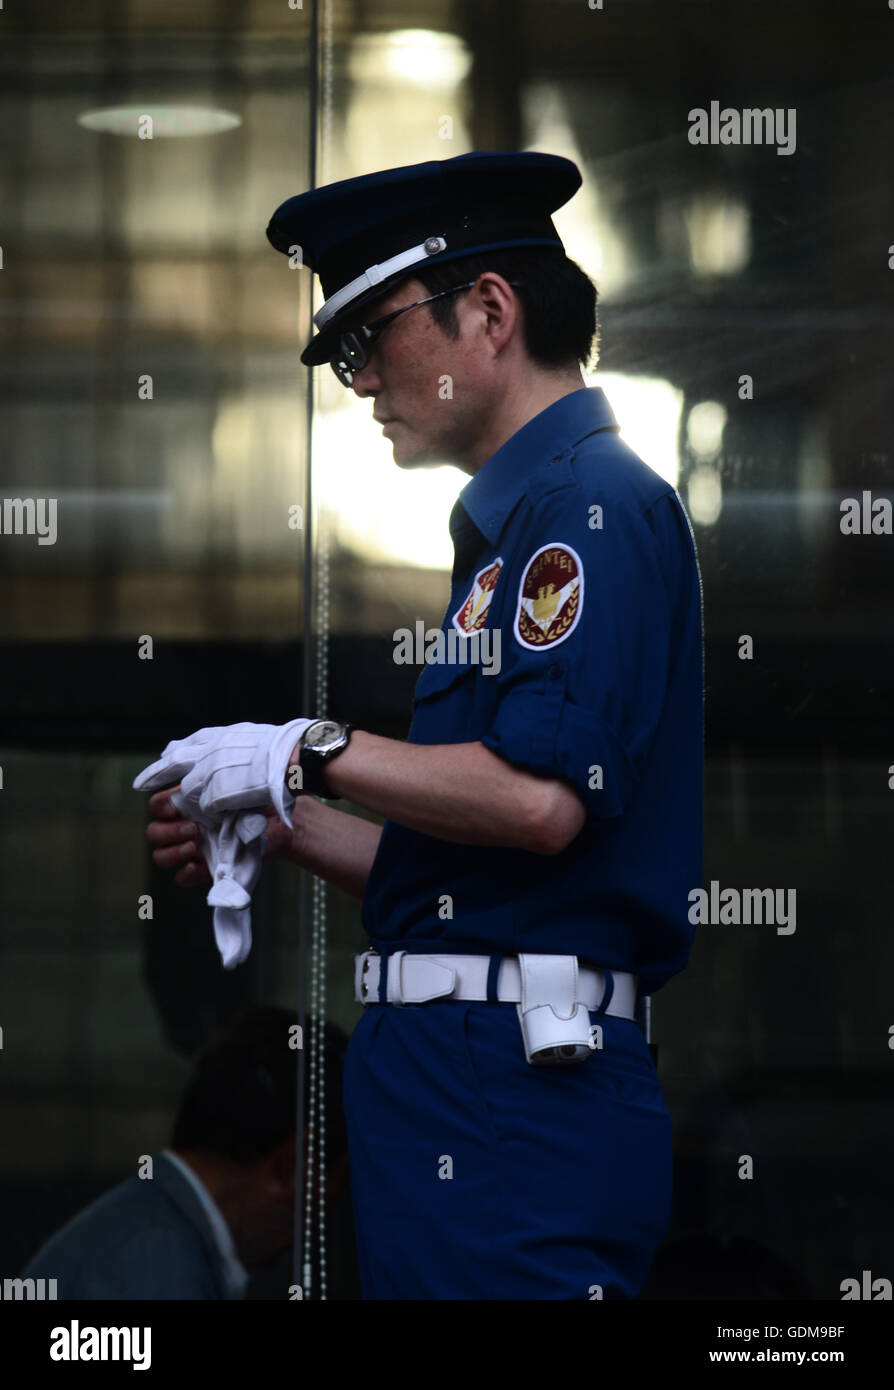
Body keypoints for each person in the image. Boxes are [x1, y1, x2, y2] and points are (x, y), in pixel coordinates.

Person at [141, 151, 704, 1299]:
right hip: (469, 1086)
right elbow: (470, 858)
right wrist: (285, 819)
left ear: (488, 311)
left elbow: (539, 806)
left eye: (369, 337)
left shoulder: (586, 505)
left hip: (514, 1091)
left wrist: (307, 748)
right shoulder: (519, 526)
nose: (358, 380)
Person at [21, 1007, 350, 1299]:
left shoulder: (149, 1235)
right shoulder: (157, 1262)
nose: (310, 1232)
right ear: (288, 1167)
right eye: (324, 1201)